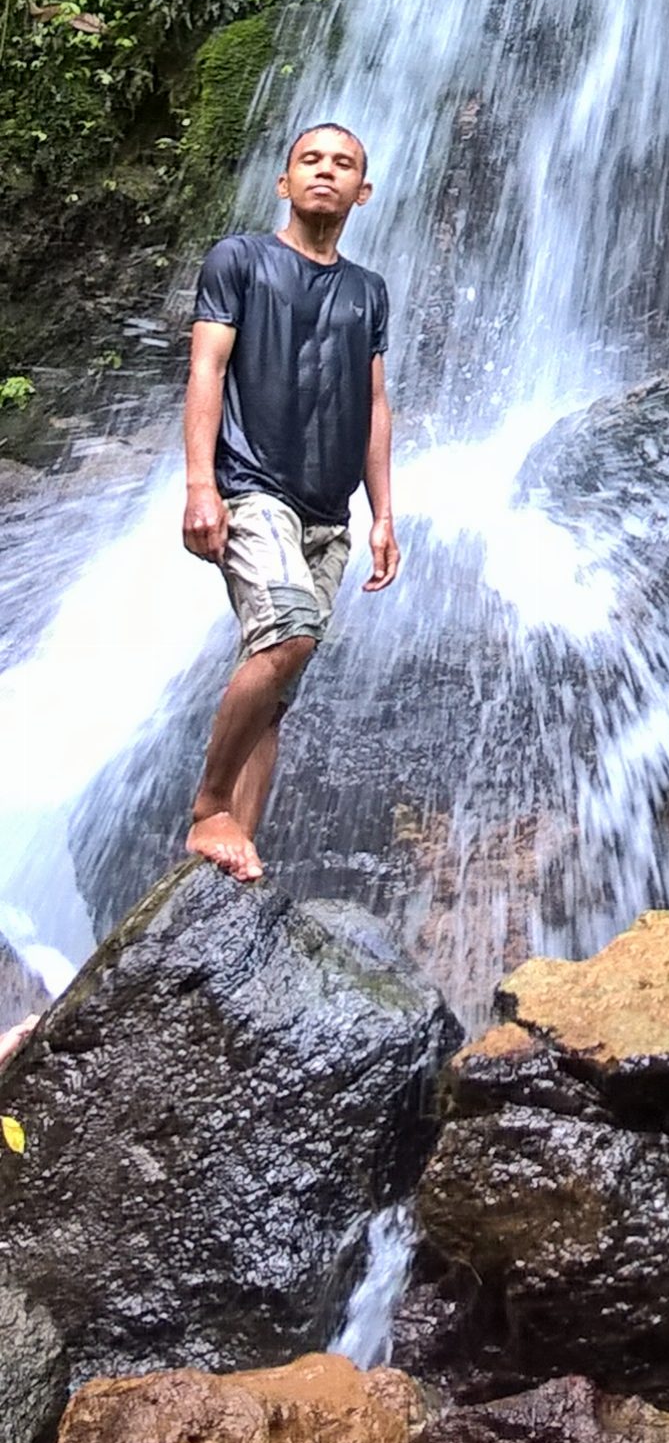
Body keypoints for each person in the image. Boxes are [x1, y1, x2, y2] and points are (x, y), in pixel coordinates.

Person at [181, 122, 399, 882]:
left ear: (362, 193)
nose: (325, 172)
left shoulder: (368, 290)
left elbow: (374, 404)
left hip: (329, 515)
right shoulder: (239, 259)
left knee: (276, 687)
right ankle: (209, 809)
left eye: (343, 165)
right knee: (289, 636)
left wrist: (384, 517)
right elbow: (206, 369)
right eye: (310, 160)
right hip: (251, 490)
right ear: (284, 181)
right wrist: (201, 484)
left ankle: (235, 851)